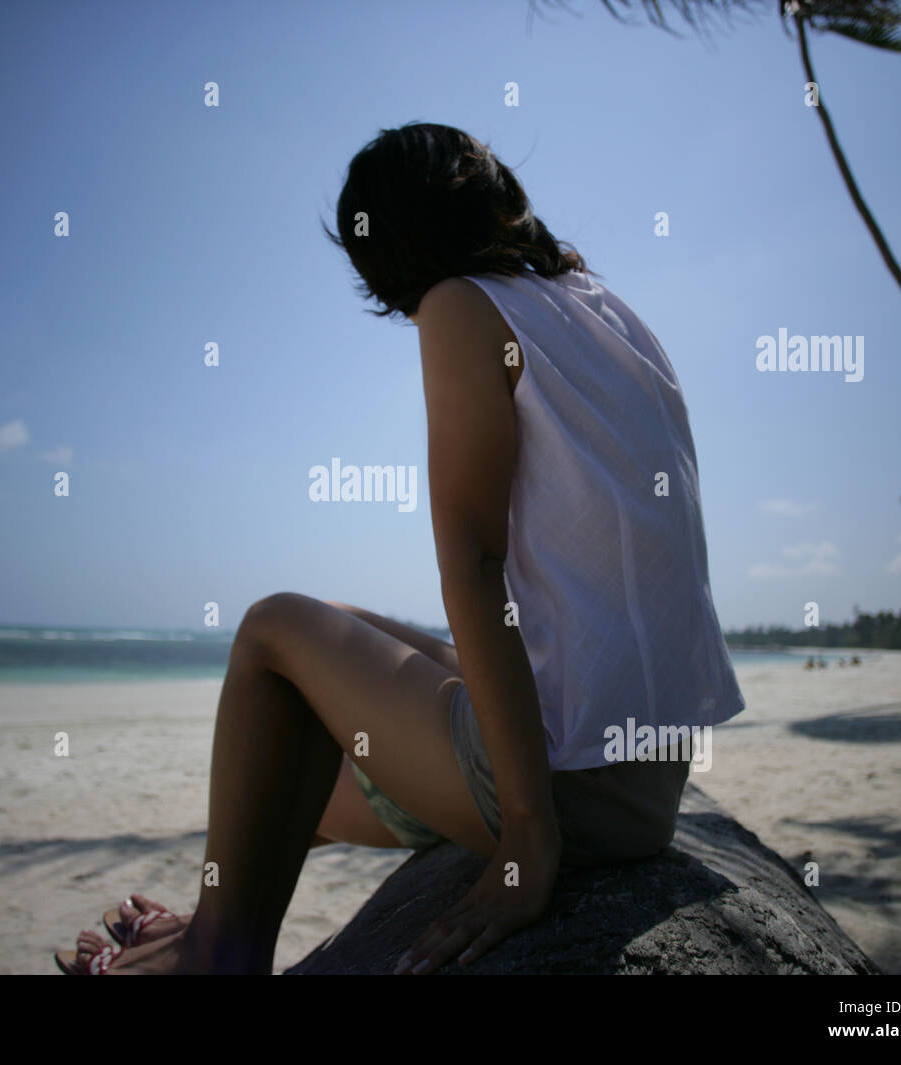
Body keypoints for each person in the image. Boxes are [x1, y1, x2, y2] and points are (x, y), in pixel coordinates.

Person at [56, 122, 745, 976]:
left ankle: (217, 955)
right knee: (325, 656)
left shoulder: (460, 303)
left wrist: (529, 839)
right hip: (649, 781)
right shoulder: (609, 310)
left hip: (573, 791)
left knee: (273, 630)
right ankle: (213, 917)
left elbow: (473, 563)